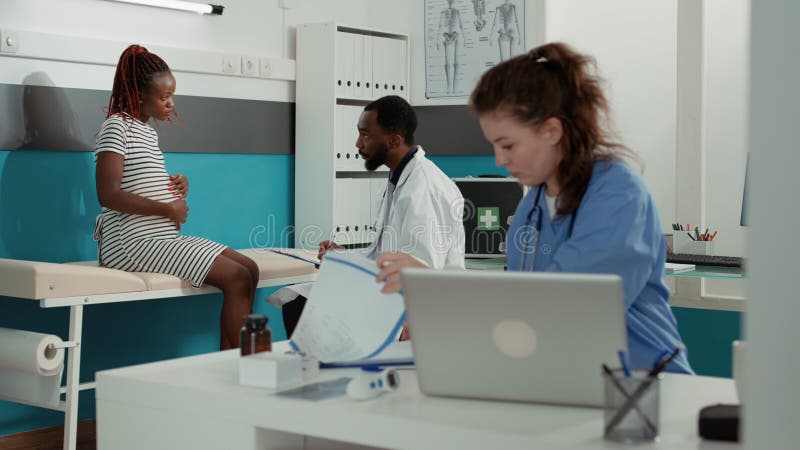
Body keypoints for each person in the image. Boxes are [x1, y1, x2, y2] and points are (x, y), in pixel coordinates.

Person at [376, 42, 693, 374]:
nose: (500, 160)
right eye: (494, 146)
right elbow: (518, 307)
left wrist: (433, 285)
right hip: (565, 380)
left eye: (508, 145)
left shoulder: (619, 195)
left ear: (552, 131)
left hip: (641, 386)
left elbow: (559, 308)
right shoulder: (533, 205)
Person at [93, 45, 259, 351]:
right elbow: (108, 194)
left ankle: (231, 364)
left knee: (249, 268)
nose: (171, 103)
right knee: (236, 277)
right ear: (140, 94)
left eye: (172, 95)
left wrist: (176, 185)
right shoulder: (115, 127)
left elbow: (138, 179)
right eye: (164, 97)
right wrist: (166, 208)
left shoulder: (146, 130)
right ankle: (249, 370)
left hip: (158, 237)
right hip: (130, 244)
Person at [280, 95, 465, 338]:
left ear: (394, 140)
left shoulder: (424, 188)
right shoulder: (398, 179)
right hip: (392, 294)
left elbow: (424, 268)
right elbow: (385, 254)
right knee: (299, 300)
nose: (358, 143)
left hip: (420, 308)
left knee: (306, 308)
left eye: (365, 134)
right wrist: (344, 257)